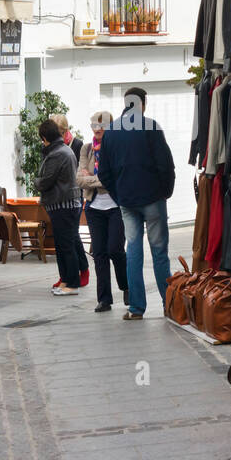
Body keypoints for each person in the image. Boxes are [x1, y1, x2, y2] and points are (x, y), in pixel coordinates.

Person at [97, 87, 174, 320]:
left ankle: (136, 308)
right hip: (153, 199)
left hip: (127, 201)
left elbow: (104, 172)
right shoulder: (151, 127)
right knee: (159, 252)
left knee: (133, 251)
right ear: (143, 103)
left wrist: (118, 195)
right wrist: (165, 192)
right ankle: (167, 304)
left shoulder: (111, 132)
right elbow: (165, 164)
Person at [77, 110, 128, 313]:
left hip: (115, 206)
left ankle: (126, 287)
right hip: (94, 207)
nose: (97, 130)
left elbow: (117, 179)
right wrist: (101, 180)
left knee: (115, 249)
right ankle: (104, 299)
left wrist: (94, 178)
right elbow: (79, 179)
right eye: (93, 126)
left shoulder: (118, 149)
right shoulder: (86, 149)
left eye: (101, 125)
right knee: (99, 252)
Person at [34, 119, 82, 296]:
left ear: (46, 137)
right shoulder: (62, 150)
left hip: (63, 205)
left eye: (42, 139)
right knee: (62, 246)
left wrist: (36, 181)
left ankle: (72, 284)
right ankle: (66, 281)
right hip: (64, 204)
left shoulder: (57, 154)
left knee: (66, 246)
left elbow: (45, 181)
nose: (42, 142)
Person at [50, 113, 90, 288]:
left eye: (58, 132)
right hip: (59, 197)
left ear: (64, 130)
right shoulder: (52, 146)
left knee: (72, 236)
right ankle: (65, 275)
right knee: (63, 238)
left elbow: (82, 171)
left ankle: (83, 270)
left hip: (74, 197)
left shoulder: (77, 145)